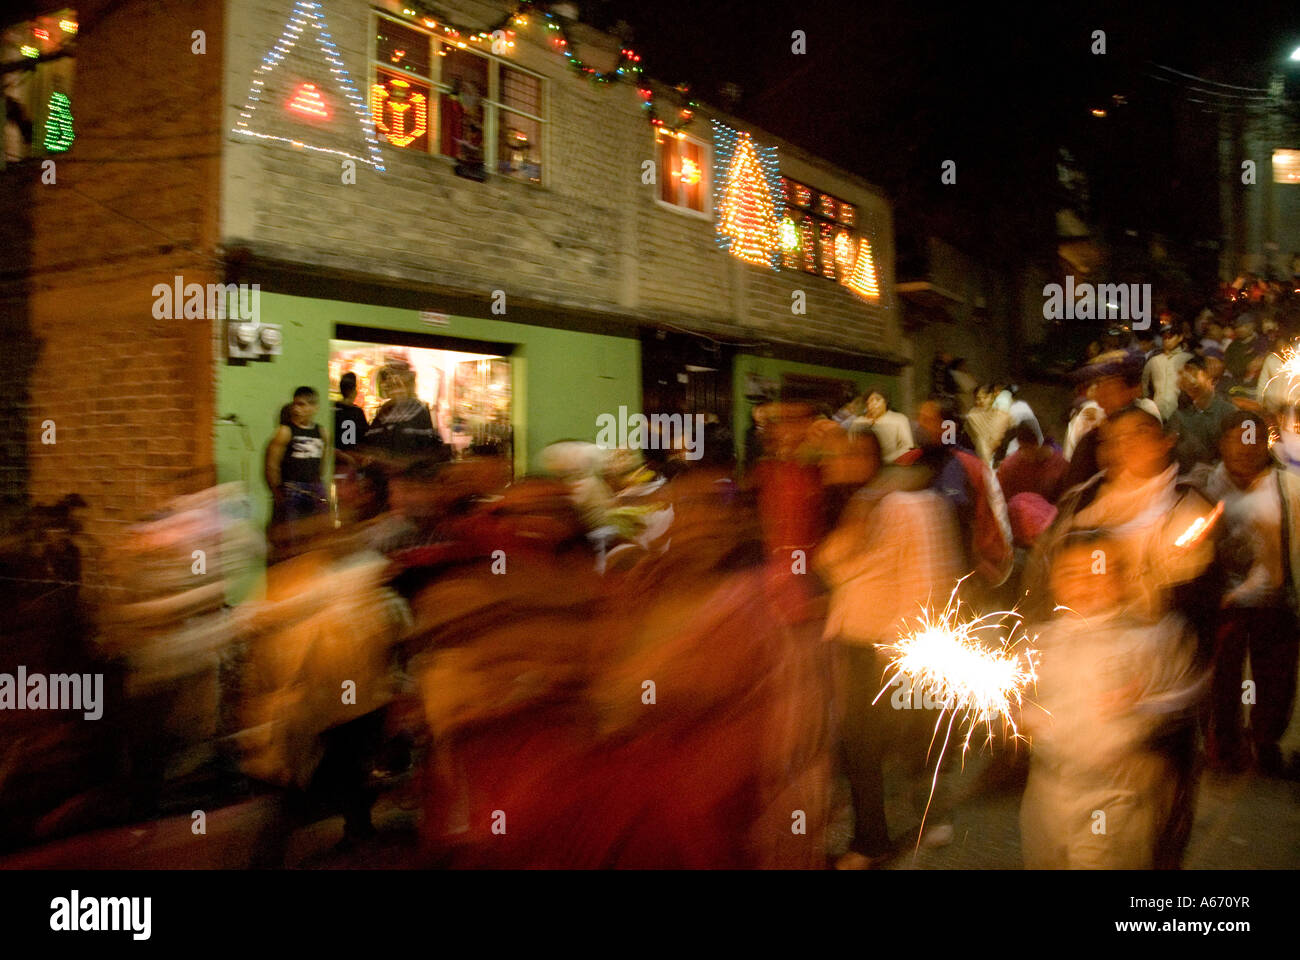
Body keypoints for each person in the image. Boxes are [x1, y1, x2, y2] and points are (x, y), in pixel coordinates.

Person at [1019, 530, 1205, 869]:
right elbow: (1020, 699)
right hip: (1048, 792)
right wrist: (1021, 716)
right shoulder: (1040, 640)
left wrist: (1145, 703)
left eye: (1097, 571)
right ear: (1053, 582)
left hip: (1117, 795)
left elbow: (1186, 694)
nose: (1084, 584)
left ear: (1122, 578)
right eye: (1070, 574)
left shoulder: (1151, 639)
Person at [815, 465, 962, 868]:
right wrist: (856, 520)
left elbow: (927, 576)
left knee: (916, 732)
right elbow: (828, 563)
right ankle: (871, 839)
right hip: (855, 644)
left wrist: (903, 645)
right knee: (860, 744)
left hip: (899, 644)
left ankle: (932, 812)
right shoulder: (856, 509)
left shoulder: (908, 507)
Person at [1198, 411, 1300, 775]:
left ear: (1265, 444)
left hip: (1275, 601)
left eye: (1252, 440)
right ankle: (1226, 746)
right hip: (1223, 601)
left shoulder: (1288, 488)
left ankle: (1265, 741)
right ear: (1222, 443)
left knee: (1273, 678)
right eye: (1236, 439)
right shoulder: (1208, 484)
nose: (1244, 449)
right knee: (1225, 678)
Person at [265, 386, 330, 557]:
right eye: (295, 404)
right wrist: (278, 491)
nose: (297, 409)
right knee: (292, 539)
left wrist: (318, 484)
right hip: (292, 488)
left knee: (319, 537)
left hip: (315, 488)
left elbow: (322, 461)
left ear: (314, 407)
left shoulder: (322, 432)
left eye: (302, 405)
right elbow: (272, 464)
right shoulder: (285, 431)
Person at [1169, 357, 1238, 474]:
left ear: (1211, 380)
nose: (1190, 382)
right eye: (1186, 377)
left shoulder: (1229, 412)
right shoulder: (1179, 416)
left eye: (1195, 376)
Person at [997, 423, 1069, 503]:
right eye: (1021, 447)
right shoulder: (1009, 467)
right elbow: (999, 502)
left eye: (1027, 448)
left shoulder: (1062, 467)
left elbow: (1066, 502)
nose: (1023, 453)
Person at [1142, 323, 1193, 422]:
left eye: (1171, 336)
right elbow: (1144, 387)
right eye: (1164, 337)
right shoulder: (1153, 361)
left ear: (1180, 338)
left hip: (1182, 413)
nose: (1167, 339)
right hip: (1157, 413)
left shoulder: (1188, 359)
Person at [851, 390, 914, 464]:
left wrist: (886, 460)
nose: (873, 404)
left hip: (891, 467)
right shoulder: (858, 422)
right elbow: (851, 446)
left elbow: (907, 446)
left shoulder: (899, 419)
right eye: (870, 401)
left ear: (885, 402)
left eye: (877, 400)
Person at [334, 372, 369, 452]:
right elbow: (365, 437)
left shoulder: (332, 409)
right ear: (353, 391)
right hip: (353, 456)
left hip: (336, 456)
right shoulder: (357, 412)